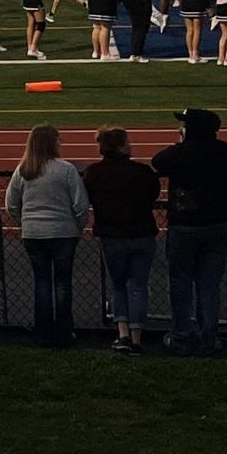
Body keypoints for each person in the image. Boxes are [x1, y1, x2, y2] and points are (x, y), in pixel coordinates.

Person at [153, 107, 227, 355]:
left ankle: (181, 335)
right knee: (210, 282)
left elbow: (158, 162)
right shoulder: (225, 151)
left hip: (185, 224)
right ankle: (208, 337)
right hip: (218, 223)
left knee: (181, 281)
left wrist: (182, 145)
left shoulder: (181, 152)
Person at [5, 124, 88, 349]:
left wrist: (24, 223)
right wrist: (78, 226)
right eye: (58, 139)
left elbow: (11, 204)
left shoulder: (23, 170)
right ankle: (64, 332)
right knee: (63, 283)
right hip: (63, 233)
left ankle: (43, 332)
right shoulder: (66, 169)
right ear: (51, 143)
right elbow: (81, 205)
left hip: (33, 234)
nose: (61, 143)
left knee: (42, 282)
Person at [83, 125, 159, 354]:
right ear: (122, 147)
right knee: (138, 285)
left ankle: (123, 333)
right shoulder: (143, 172)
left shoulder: (93, 173)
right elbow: (153, 194)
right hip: (141, 234)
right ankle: (136, 337)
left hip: (112, 236)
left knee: (118, 284)